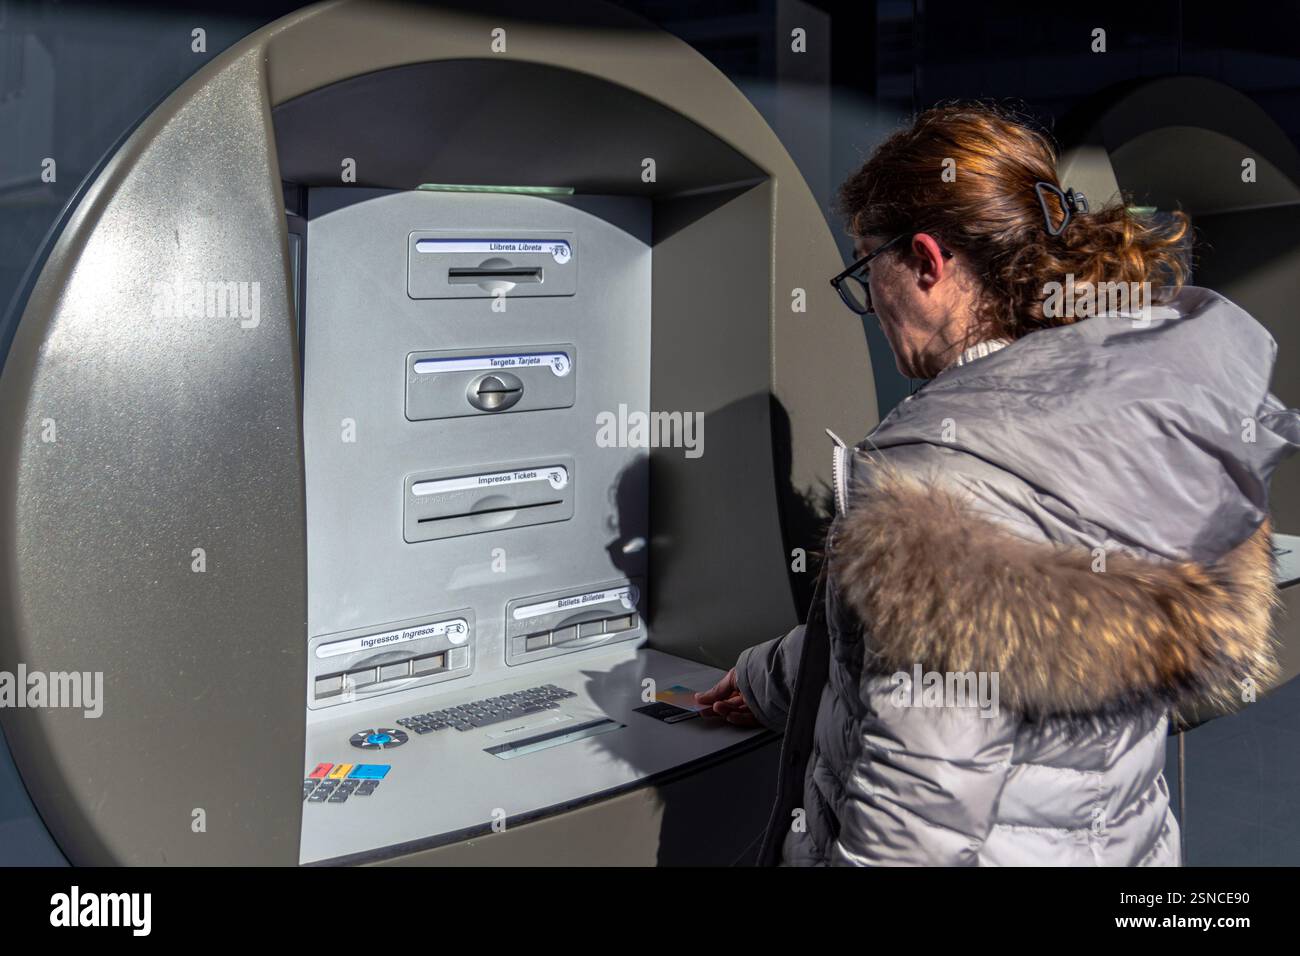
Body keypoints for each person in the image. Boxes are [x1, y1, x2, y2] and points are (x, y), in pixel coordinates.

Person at [697, 103, 1300, 866]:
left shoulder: (947, 482)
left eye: (862, 268)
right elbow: (982, 641)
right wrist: (772, 675)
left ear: (924, 261)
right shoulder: (1126, 417)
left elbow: (914, 825)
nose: (868, 303)